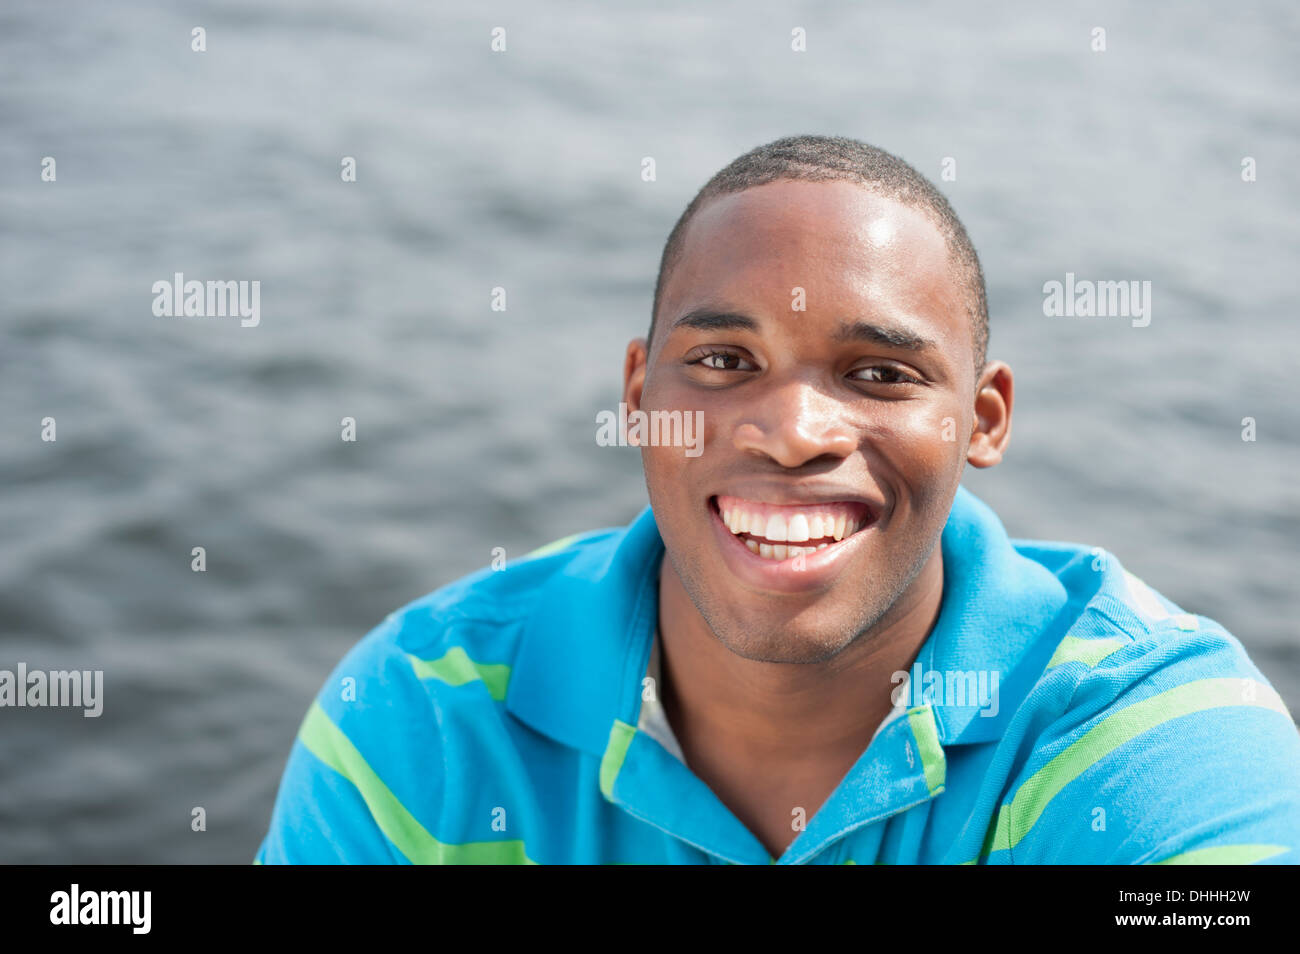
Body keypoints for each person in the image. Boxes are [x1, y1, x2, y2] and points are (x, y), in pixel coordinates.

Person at [256, 135, 1300, 864]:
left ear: (982, 419)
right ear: (636, 396)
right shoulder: (424, 710)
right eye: (720, 359)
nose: (794, 432)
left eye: (880, 375)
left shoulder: (1153, 741)